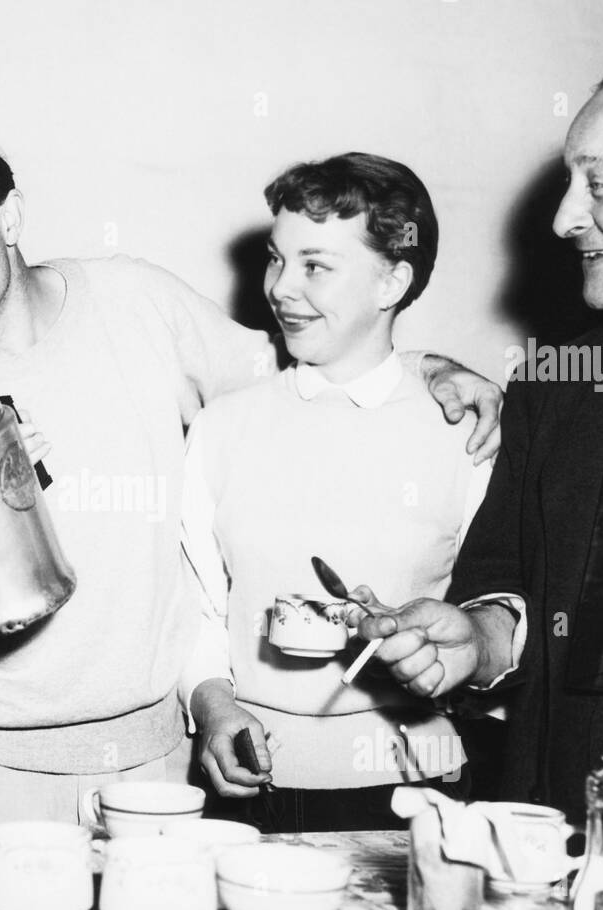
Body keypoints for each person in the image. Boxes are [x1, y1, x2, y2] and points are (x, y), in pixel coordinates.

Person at [0, 107, 503, 845]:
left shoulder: (137, 303)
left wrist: (423, 369)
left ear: (9, 217)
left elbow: (304, 364)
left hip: (159, 762)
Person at [358, 51, 603, 826]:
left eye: (598, 185)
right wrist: (479, 638)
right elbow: (510, 573)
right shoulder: (556, 379)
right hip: (572, 773)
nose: (562, 218)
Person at [183, 153, 491, 831]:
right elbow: (201, 608)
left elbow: (496, 614)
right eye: (275, 258)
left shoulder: (465, 434)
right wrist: (212, 706)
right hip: (251, 781)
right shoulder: (221, 427)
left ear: (393, 280)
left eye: (315, 265)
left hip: (414, 791)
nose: (281, 288)